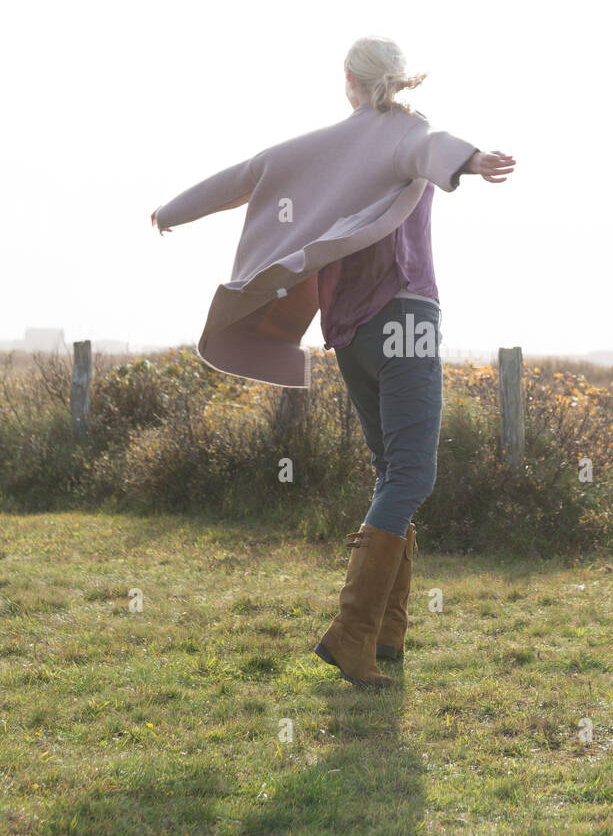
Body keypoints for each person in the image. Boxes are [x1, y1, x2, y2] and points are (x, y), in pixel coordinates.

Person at [151, 34, 516, 690]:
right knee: (410, 476)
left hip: (348, 330)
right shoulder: (407, 131)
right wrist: (474, 160)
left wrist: (170, 211)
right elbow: (433, 151)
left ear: (346, 79)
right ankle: (352, 635)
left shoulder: (315, 148)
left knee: (390, 473)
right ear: (398, 82)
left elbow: (244, 174)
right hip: (405, 316)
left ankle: (385, 635)